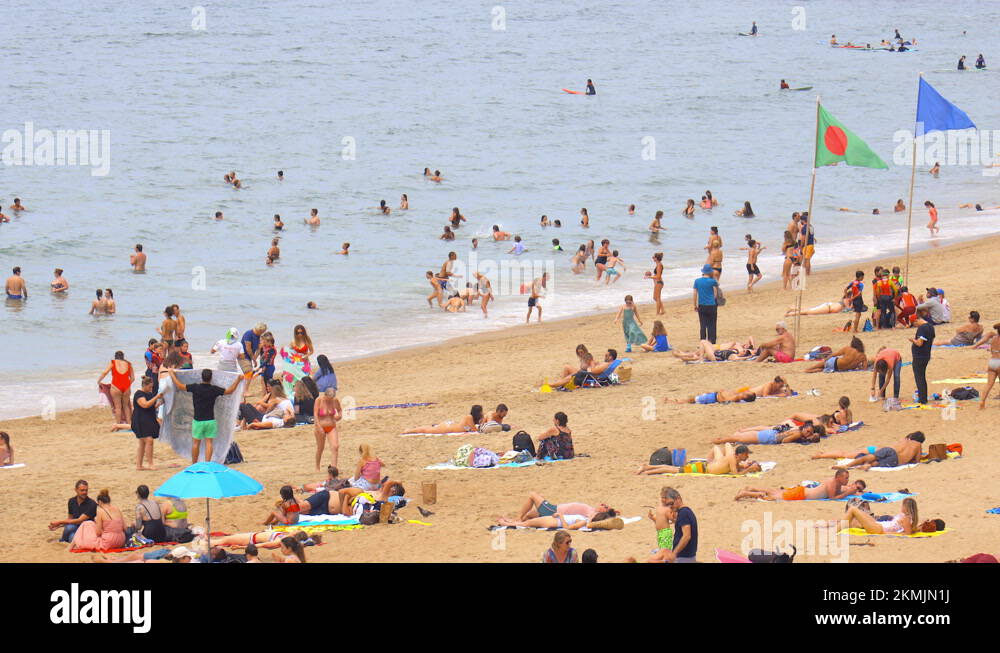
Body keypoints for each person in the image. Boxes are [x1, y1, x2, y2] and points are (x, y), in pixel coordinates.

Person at [167, 368, 243, 463]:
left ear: (201, 377)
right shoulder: (214, 389)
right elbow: (230, 391)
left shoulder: (195, 387)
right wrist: (238, 380)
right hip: (210, 421)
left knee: (195, 443)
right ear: (211, 378)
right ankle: (207, 464)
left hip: (198, 420)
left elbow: (179, 386)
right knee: (209, 443)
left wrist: (172, 374)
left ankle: (194, 464)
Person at [735, 469, 863, 501]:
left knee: (774, 492)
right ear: (839, 477)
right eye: (846, 478)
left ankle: (751, 488)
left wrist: (853, 491)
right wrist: (848, 493)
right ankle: (746, 493)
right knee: (773, 497)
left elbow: (839, 492)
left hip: (802, 491)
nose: (847, 480)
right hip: (801, 494)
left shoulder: (836, 483)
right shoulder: (832, 483)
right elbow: (832, 498)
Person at [636, 443, 760, 476]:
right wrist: (749, 469)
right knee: (672, 469)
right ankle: (647, 469)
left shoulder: (733, 457)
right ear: (741, 454)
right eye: (746, 455)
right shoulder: (733, 459)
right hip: (701, 469)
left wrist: (746, 466)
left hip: (703, 466)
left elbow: (727, 444)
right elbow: (735, 474)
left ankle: (647, 468)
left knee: (673, 469)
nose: (748, 457)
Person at [820, 497, 919, 536]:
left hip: (879, 528)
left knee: (853, 510)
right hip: (878, 524)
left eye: (902, 505)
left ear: (906, 507)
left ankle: (833, 531)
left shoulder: (906, 517)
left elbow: (907, 533)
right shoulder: (906, 517)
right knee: (856, 517)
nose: (901, 507)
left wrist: (887, 533)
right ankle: (830, 526)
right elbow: (910, 529)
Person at [833, 431, 925, 470]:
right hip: (896, 459)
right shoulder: (918, 445)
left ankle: (847, 465)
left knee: (870, 457)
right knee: (877, 463)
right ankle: (867, 466)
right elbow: (916, 461)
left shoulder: (905, 440)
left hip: (889, 449)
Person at [130, 376, 161, 469]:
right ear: (144, 385)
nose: (151, 389)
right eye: (149, 387)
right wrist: (156, 397)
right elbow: (145, 405)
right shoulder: (139, 394)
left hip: (148, 420)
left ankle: (139, 465)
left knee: (142, 443)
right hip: (140, 420)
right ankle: (150, 463)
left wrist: (159, 403)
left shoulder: (150, 394)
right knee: (149, 440)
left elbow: (151, 407)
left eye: (152, 387)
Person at [98, 351, 135, 424]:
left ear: (115, 356)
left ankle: (118, 425)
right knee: (126, 406)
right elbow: (133, 378)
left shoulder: (113, 362)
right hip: (126, 386)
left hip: (116, 386)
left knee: (117, 407)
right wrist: (127, 384)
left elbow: (105, 372)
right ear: (123, 357)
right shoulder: (128, 364)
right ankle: (129, 424)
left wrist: (99, 381)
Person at [278, 324, 314, 397]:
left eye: (301, 332)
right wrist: (283, 350)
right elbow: (289, 353)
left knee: (305, 378)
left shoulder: (307, 340)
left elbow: (312, 351)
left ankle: (306, 392)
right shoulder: (293, 342)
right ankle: (293, 391)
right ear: (295, 333)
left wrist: (307, 355)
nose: (300, 334)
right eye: (298, 333)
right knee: (292, 377)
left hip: (304, 362)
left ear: (304, 332)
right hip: (295, 363)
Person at [402, 405, 485, 434]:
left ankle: (410, 430)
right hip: (447, 428)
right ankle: (408, 431)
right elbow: (474, 430)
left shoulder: (469, 418)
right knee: (426, 430)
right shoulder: (469, 417)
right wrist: (483, 419)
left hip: (450, 426)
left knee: (429, 428)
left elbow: (472, 428)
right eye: (481, 412)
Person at [313, 388, 343, 470]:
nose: (330, 400)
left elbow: (340, 410)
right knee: (320, 448)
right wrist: (319, 427)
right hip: (320, 426)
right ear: (325, 395)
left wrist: (339, 416)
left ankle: (334, 468)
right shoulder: (319, 400)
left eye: (331, 399)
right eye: (328, 399)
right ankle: (317, 467)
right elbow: (315, 415)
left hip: (331, 426)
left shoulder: (335, 400)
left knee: (335, 446)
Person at [911, 311, 935, 404]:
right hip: (926, 355)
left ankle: (922, 399)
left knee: (919, 377)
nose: (915, 325)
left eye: (915, 323)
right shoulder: (931, 327)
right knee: (922, 377)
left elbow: (919, 343)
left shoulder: (922, 328)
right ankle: (923, 397)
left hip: (919, 356)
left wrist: (912, 340)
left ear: (917, 320)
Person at [693, 264, 720, 344]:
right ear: (710, 272)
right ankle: (712, 342)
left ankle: (703, 343)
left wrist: (695, 305)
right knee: (712, 324)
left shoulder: (697, 281)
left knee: (703, 324)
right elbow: (715, 293)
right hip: (711, 305)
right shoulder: (713, 281)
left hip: (702, 305)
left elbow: (695, 293)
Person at [665, 388, 756, 405]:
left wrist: (720, 392)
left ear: (745, 396)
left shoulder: (736, 398)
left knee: (692, 400)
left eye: (747, 393)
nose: (746, 391)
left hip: (713, 398)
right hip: (713, 396)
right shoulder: (738, 396)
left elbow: (724, 400)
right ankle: (675, 401)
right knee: (692, 399)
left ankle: (673, 401)